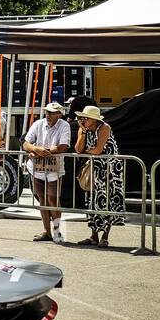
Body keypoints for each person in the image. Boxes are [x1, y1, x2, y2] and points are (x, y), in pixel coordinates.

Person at [74, 104, 125, 248]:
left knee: (108, 201)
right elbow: (78, 149)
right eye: (82, 118)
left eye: (86, 118)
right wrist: (83, 133)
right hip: (94, 169)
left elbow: (97, 150)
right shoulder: (84, 130)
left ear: (94, 119)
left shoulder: (104, 128)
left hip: (109, 170)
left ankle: (105, 236)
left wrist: (88, 151)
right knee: (92, 200)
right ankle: (93, 236)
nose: (83, 120)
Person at [22, 101, 71, 243]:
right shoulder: (39, 124)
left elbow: (63, 146)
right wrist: (36, 150)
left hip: (54, 169)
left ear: (59, 114)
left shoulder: (64, 125)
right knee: (42, 199)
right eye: (47, 112)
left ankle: (56, 232)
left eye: (51, 112)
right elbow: (25, 143)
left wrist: (41, 151)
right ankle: (48, 232)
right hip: (37, 168)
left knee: (53, 200)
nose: (48, 115)